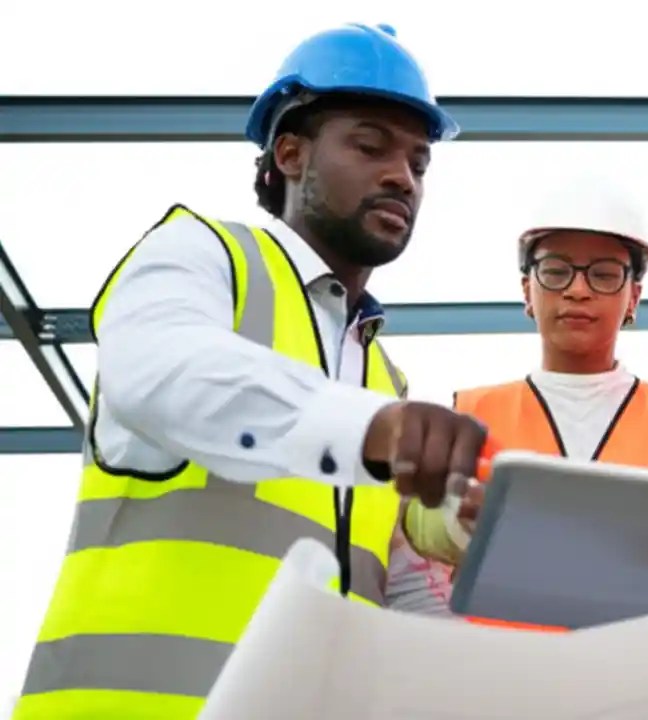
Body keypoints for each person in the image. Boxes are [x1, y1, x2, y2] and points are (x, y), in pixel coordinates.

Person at [13, 23, 489, 719]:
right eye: (369, 145)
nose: (402, 176)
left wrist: (457, 534)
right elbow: (162, 372)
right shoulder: (200, 256)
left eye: (420, 162)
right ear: (289, 154)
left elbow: (389, 588)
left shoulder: (382, 377)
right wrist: (373, 428)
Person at [395, 177, 648, 607]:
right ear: (527, 291)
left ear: (633, 297)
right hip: (499, 667)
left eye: (604, 275)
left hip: (646, 669)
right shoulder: (465, 415)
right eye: (556, 271)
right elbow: (412, 572)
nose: (578, 290)